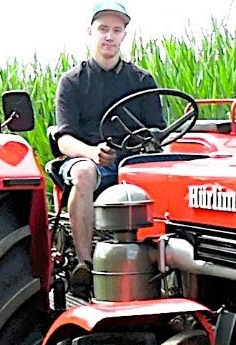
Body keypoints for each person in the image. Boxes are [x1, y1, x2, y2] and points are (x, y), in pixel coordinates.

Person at [53, 1, 163, 295]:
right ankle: (86, 264)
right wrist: (91, 151)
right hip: (86, 159)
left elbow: (157, 131)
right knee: (85, 174)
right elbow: (63, 139)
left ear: (124, 36)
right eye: (103, 29)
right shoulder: (73, 82)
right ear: (90, 33)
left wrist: (146, 144)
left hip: (132, 161)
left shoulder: (142, 80)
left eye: (117, 30)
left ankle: (163, 263)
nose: (109, 37)